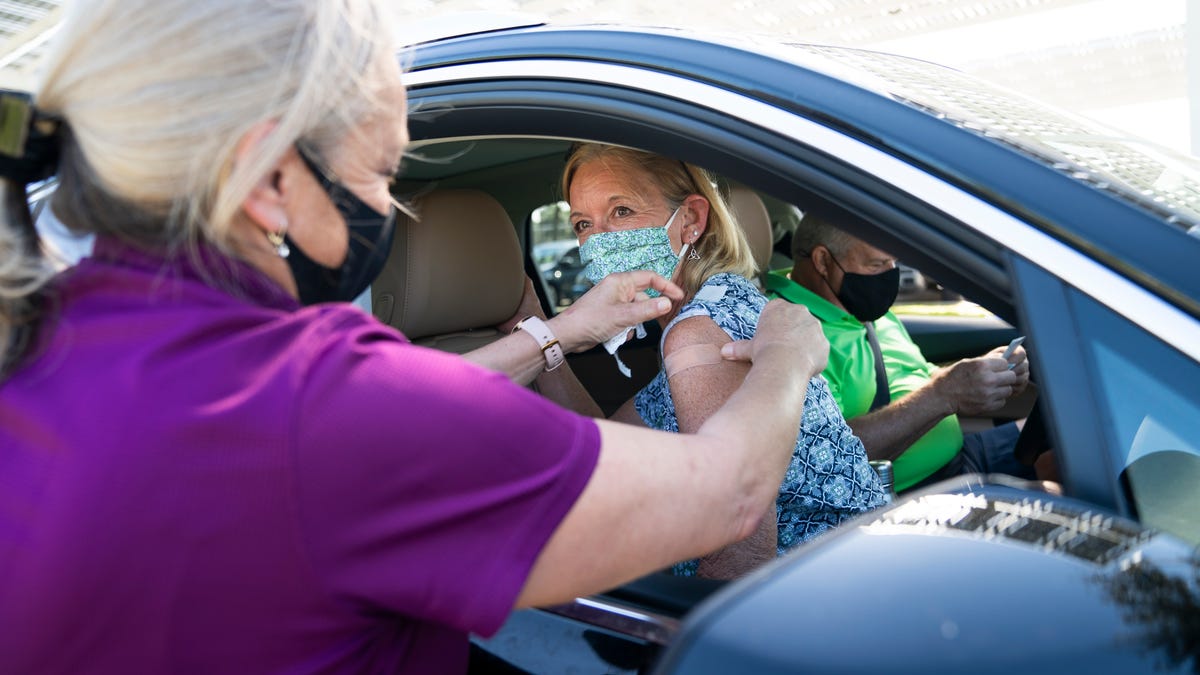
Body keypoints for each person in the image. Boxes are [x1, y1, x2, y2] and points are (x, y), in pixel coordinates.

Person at [0, 1, 835, 673]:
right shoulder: (321, 402)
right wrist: (787, 359)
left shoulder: (41, 344)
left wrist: (560, 330)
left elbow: (414, 420)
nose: (386, 209)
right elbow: (727, 492)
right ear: (269, 180)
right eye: (375, 171)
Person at [562, 143, 887, 580]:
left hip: (814, 597)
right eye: (583, 223)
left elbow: (741, 554)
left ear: (692, 221)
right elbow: (599, 448)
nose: (599, 239)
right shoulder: (728, 299)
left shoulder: (698, 332)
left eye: (622, 212)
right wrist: (536, 338)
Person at [764, 212, 1039, 493]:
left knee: (1062, 441)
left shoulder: (860, 307)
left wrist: (984, 377)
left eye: (893, 262)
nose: (890, 274)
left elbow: (913, 377)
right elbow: (829, 454)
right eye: (877, 264)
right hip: (909, 494)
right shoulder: (787, 329)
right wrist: (945, 393)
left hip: (961, 458)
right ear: (823, 261)